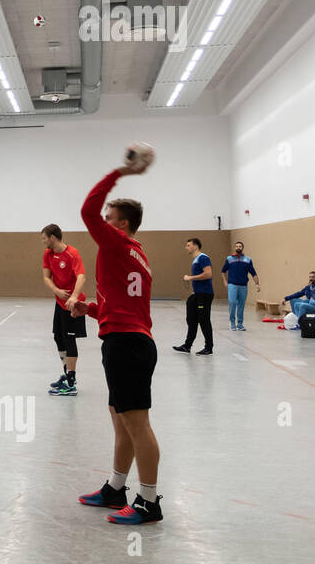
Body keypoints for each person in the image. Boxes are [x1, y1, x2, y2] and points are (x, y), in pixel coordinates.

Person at [72, 151, 163, 524]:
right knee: (120, 419)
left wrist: (119, 172)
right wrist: (91, 309)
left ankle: (149, 501)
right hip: (126, 338)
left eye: (109, 220)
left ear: (121, 225)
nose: (101, 224)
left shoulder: (114, 243)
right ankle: (115, 488)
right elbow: (127, 306)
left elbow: (87, 211)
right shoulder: (134, 253)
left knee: (137, 423)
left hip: (128, 345)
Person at [41, 224, 87, 396]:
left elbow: (81, 276)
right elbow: (46, 277)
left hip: (73, 305)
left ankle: (71, 383)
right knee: (58, 337)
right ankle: (67, 374)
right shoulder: (48, 254)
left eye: (44, 238)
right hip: (60, 304)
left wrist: (74, 296)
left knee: (69, 341)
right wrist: (57, 291)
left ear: (53, 237)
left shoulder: (72, 253)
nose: (43, 241)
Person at [173, 238, 214, 355]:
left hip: (204, 294)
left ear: (195, 246)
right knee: (191, 319)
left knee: (204, 320)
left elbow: (208, 274)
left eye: (188, 245)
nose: (186, 247)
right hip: (197, 294)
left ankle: (209, 347)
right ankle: (187, 346)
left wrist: (190, 278)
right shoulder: (196, 260)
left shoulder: (203, 258)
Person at [220, 242, 260, 331]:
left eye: (240, 246)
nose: (238, 247)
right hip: (232, 285)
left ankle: (240, 324)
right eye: (237, 246)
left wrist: (257, 284)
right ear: (235, 248)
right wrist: (225, 281)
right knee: (232, 302)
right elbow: (223, 271)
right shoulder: (229, 259)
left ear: (242, 248)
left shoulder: (248, 260)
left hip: (243, 286)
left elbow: (253, 273)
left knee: (241, 305)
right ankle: (232, 323)